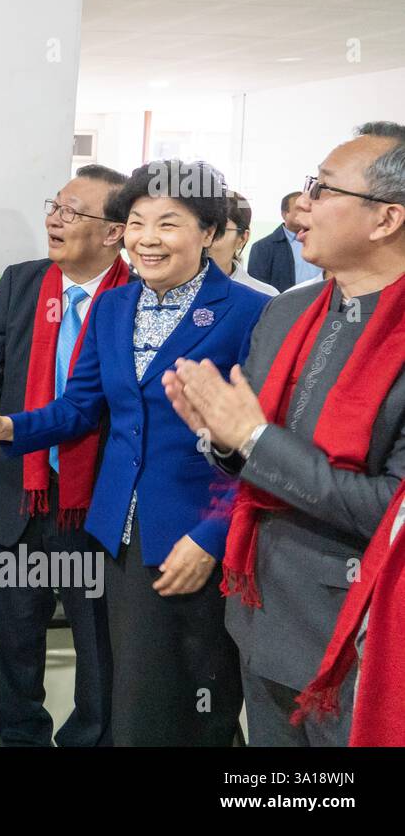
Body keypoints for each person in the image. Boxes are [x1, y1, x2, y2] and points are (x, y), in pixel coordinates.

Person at [0, 160, 268, 746]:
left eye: (168, 224)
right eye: (138, 222)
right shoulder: (114, 308)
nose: (148, 239)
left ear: (208, 232)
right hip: (117, 534)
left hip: (195, 534)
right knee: (129, 695)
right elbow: (79, 408)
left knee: (201, 695)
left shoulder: (251, 314)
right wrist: (6, 428)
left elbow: (261, 448)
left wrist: (213, 536)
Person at [164, 122, 405, 746]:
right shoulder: (290, 310)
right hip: (261, 607)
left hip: (361, 631)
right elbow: (250, 453)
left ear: (386, 220)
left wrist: (253, 439)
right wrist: (222, 437)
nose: (302, 207)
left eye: (322, 190)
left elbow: (393, 510)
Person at [0, 165, 128, 747]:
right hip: (16, 505)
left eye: (73, 212)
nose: (54, 218)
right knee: (15, 647)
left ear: (113, 233)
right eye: (54, 205)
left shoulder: (137, 300)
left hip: (96, 510)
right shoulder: (20, 285)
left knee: (100, 651)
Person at [248, 190, 321, 292]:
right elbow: (257, 290)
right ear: (284, 214)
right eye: (299, 209)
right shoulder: (263, 248)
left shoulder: (323, 242)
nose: (306, 212)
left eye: (309, 208)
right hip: (284, 305)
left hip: (322, 303)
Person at [209, 192, 278, 297]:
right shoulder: (177, 288)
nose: (205, 239)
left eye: (219, 231)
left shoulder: (265, 297)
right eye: (201, 228)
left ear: (242, 238)